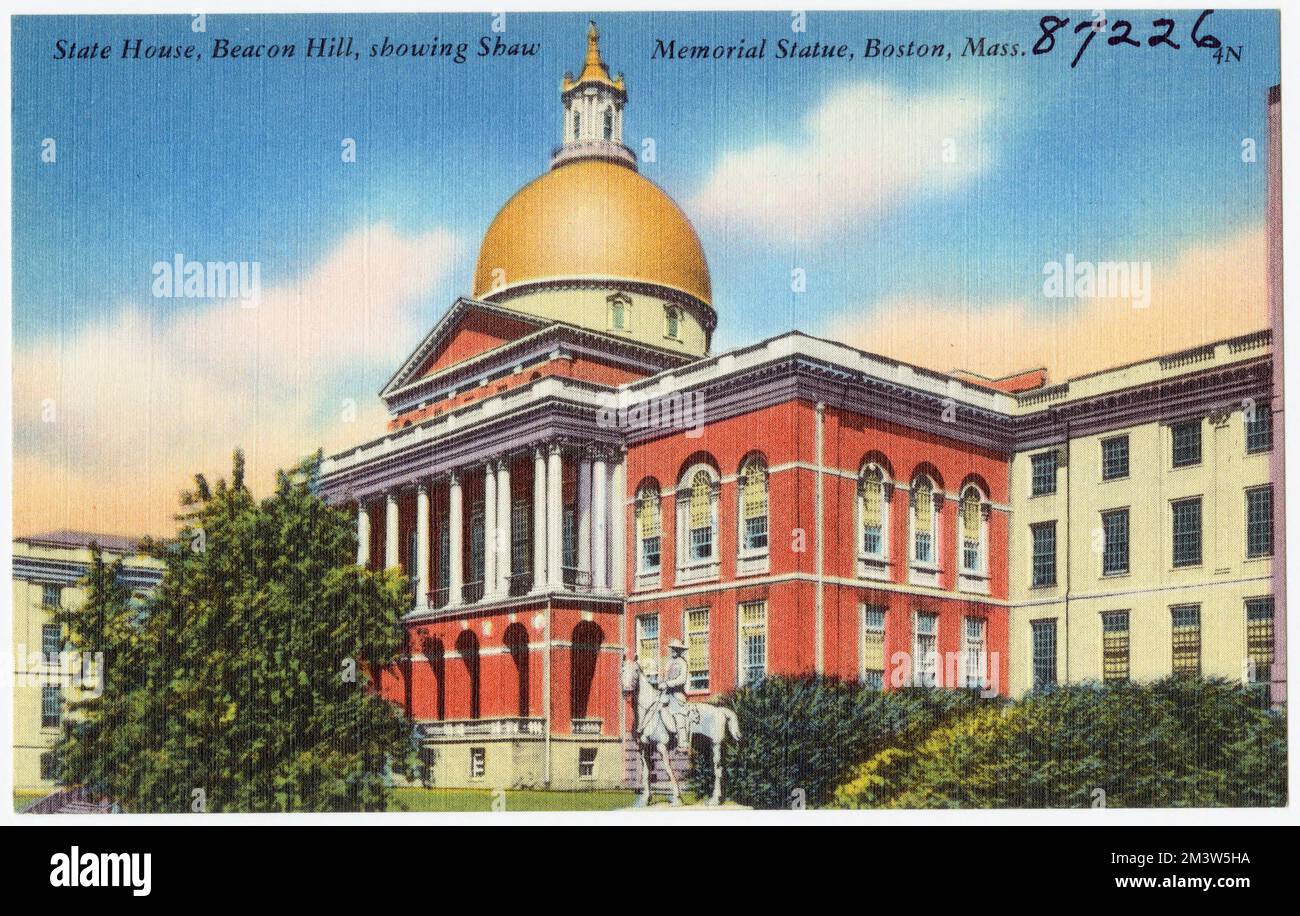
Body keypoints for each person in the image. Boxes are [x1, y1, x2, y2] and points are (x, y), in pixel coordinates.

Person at [660, 640, 691, 749]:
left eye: (676, 649)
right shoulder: (668, 662)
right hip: (666, 693)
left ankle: (682, 741)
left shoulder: (683, 663)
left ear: (680, 651)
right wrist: (662, 683)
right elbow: (664, 676)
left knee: (678, 715)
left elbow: (682, 680)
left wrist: (668, 684)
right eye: (672, 648)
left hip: (677, 693)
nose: (673, 651)